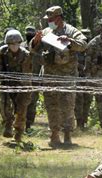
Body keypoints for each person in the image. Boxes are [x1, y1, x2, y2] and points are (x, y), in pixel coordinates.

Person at [31, 6, 87, 147]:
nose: (49, 21)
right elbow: (32, 48)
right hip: (49, 75)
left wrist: (69, 41)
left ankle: (67, 134)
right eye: (47, 19)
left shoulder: (72, 31)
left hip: (66, 76)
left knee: (67, 105)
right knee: (51, 105)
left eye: (51, 19)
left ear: (59, 18)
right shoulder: (46, 31)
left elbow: (84, 45)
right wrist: (36, 40)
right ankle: (54, 134)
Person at [0, 30, 32, 142]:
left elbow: (27, 73)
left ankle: (19, 132)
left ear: (20, 43)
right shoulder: (1, 52)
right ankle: (8, 125)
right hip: (6, 84)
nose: (14, 46)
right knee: (5, 106)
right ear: (8, 44)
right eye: (11, 44)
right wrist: (0, 77)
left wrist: (23, 89)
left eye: (16, 43)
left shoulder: (25, 54)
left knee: (21, 109)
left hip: (22, 85)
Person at [22, 25, 42, 132]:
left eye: (31, 33)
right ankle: (20, 124)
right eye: (27, 33)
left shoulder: (39, 47)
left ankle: (28, 125)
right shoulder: (21, 46)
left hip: (35, 80)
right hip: (22, 80)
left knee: (32, 102)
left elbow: (43, 64)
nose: (29, 35)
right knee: (22, 102)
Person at [74, 28, 93, 130]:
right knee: (79, 100)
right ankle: (79, 122)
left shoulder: (92, 49)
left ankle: (84, 121)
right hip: (78, 78)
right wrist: (81, 67)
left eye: (88, 37)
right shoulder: (76, 50)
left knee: (88, 100)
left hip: (89, 79)